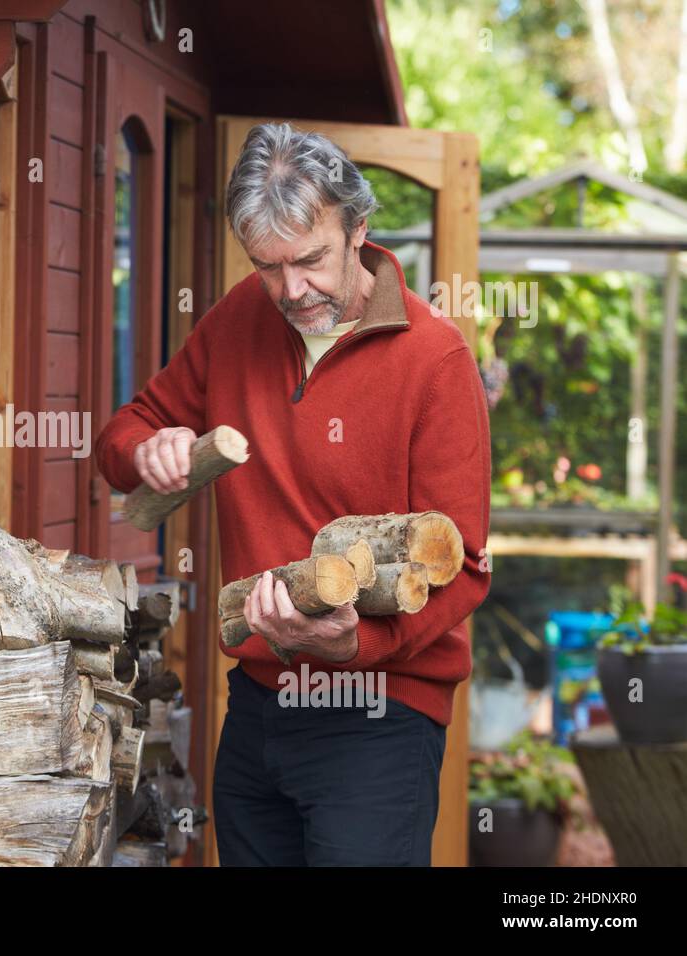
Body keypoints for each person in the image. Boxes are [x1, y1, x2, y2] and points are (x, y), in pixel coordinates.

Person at [93, 121, 491, 865]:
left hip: (381, 716)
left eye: (309, 261)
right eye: (268, 266)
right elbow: (125, 434)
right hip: (258, 705)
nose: (291, 290)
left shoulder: (436, 360)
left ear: (358, 229)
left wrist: (357, 644)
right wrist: (147, 448)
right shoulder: (241, 315)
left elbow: (464, 567)